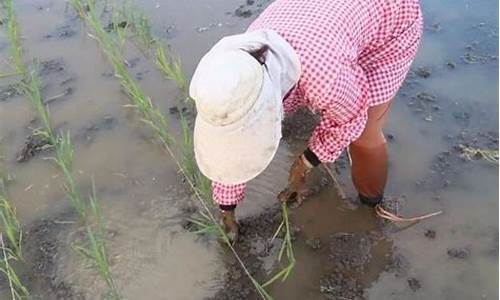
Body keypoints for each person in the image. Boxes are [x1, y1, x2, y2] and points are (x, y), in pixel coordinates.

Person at [189, 0, 423, 243]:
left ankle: (372, 210)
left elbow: (349, 119)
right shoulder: (229, 72)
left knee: (365, 134)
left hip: (391, 15)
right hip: (320, 23)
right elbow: (229, 147)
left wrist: (303, 165)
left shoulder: (323, 80)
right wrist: (227, 211)